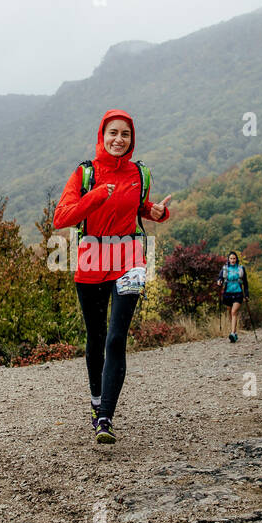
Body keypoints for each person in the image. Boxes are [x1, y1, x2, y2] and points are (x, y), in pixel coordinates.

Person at [53, 108, 172, 444]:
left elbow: (140, 206)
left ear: (132, 139)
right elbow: (60, 218)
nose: (119, 139)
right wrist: (94, 196)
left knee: (116, 338)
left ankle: (105, 417)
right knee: (96, 337)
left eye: (126, 134)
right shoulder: (84, 173)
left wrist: (157, 213)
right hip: (91, 260)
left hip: (130, 259)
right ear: (102, 136)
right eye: (113, 133)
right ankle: (95, 400)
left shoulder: (140, 172)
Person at [215, 252, 249, 343]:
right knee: (230, 313)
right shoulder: (225, 269)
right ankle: (234, 332)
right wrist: (219, 281)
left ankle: (232, 333)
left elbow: (245, 283)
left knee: (234, 312)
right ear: (228, 259)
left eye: (234, 258)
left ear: (236, 259)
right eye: (231, 258)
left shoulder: (241, 269)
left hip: (238, 293)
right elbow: (220, 278)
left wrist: (246, 295)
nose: (233, 260)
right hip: (227, 294)